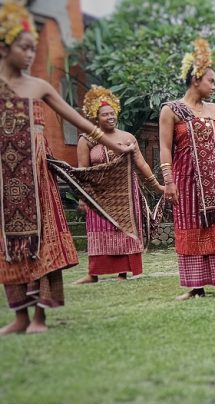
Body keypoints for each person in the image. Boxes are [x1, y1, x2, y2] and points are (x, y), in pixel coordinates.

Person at [0, 1, 135, 334]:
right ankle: (20, 316)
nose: (31, 54)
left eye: (34, 48)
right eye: (24, 47)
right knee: (8, 245)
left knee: (42, 242)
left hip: (37, 175)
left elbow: (75, 119)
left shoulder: (39, 87)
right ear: (5, 46)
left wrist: (113, 143)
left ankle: (40, 318)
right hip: (5, 177)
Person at [158, 38, 215, 301]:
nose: (214, 86)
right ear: (196, 80)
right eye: (211, 81)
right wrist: (168, 181)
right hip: (186, 182)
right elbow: (164, 148)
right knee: (190, 228)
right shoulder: (171, 110)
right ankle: (195, 287)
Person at [75, 86, 164, 284]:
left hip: (126, 194)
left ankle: (123, 272)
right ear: (96, 118)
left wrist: (157, 186)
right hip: (99, 195)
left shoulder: (127, 138)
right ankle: (93, 273)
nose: (110, 117)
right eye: (104, 115)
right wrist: (83, 196)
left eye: (112, 113)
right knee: (98, 231)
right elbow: (82, 170)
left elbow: (142, 164)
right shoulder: (86, 140)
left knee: (124, 231)